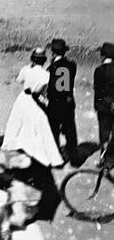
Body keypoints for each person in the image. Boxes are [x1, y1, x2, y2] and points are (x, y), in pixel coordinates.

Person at [3, 48, 65, 169]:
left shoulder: (25, 70)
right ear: (44, 60)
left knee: (16, 124)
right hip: (35, 100)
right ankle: (52, 158)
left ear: (33, 59)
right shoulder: (46, 75)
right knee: (41, 127)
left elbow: (19, 80)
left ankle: (11, 148)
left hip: (22, 99)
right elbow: (45, 92)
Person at [46, 37, 78, 165]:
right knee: (70, 131)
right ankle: (74, 159)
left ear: (53, 52)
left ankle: (56, 159)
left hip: (55, 103)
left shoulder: (51, 68)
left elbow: (50, 86)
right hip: (68, 102)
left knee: (54, 131)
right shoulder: (72, 65)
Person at [95, 41, 114, 153]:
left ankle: (103, 155)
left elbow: (98, 90)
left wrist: (97, 105)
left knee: (104, 133)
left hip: (102, 105)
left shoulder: (99, 70)